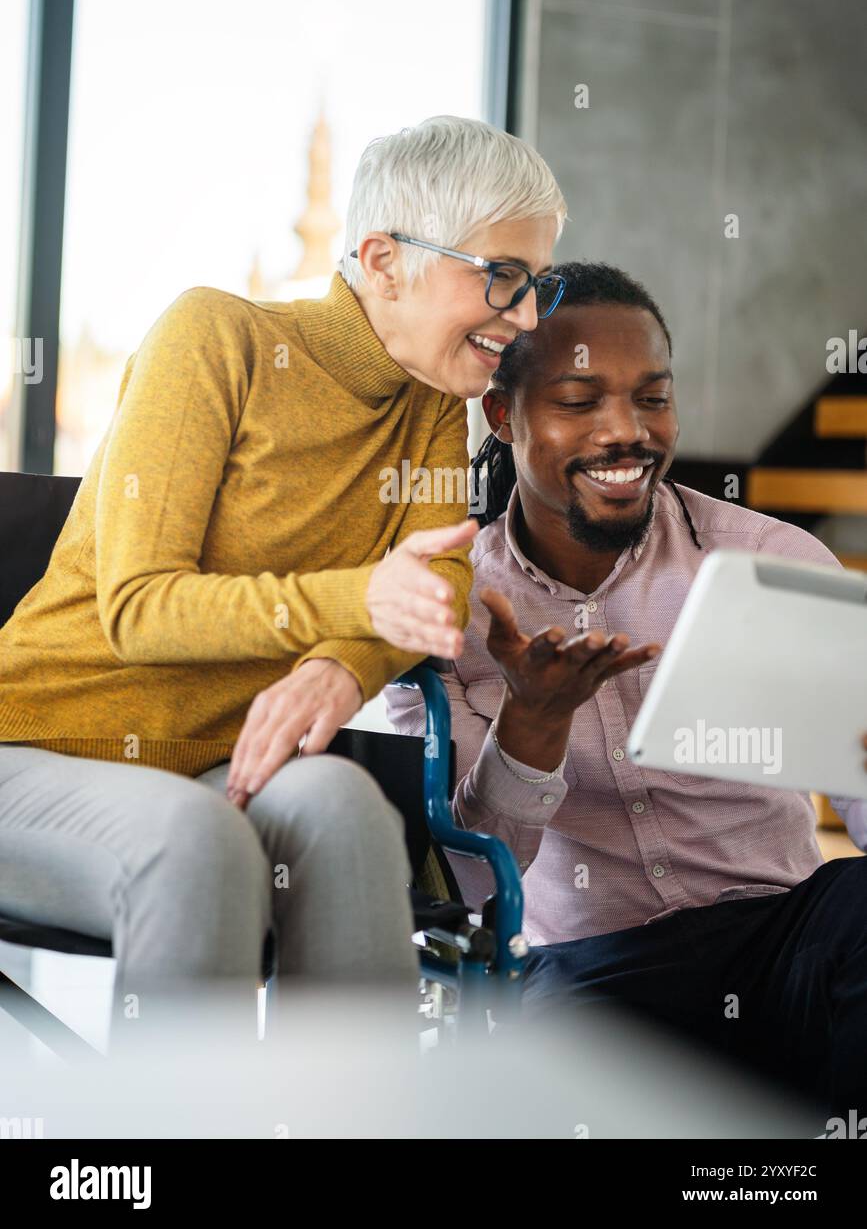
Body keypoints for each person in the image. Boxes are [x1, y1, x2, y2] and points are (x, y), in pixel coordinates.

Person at [0, 115, 567, 1047]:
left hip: (213, 769)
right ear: (383, 262)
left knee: (346, 812)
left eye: (536, 284)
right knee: (195, 845)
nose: (528, 319)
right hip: (36, 750)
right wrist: (356, 602)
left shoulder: (429, 405)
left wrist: (341, 667)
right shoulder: (212, 335)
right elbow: (140, 609)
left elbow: (437, 588)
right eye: (501, 279)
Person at [385, 260, 867, 1116]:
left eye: (651, 397)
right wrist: (531, 725)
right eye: (579, 402)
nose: (627, 431)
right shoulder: (446, 608)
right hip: (591, 970)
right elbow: (471, 887)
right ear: (503, 413)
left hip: (783, 935)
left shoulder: (769, 562)